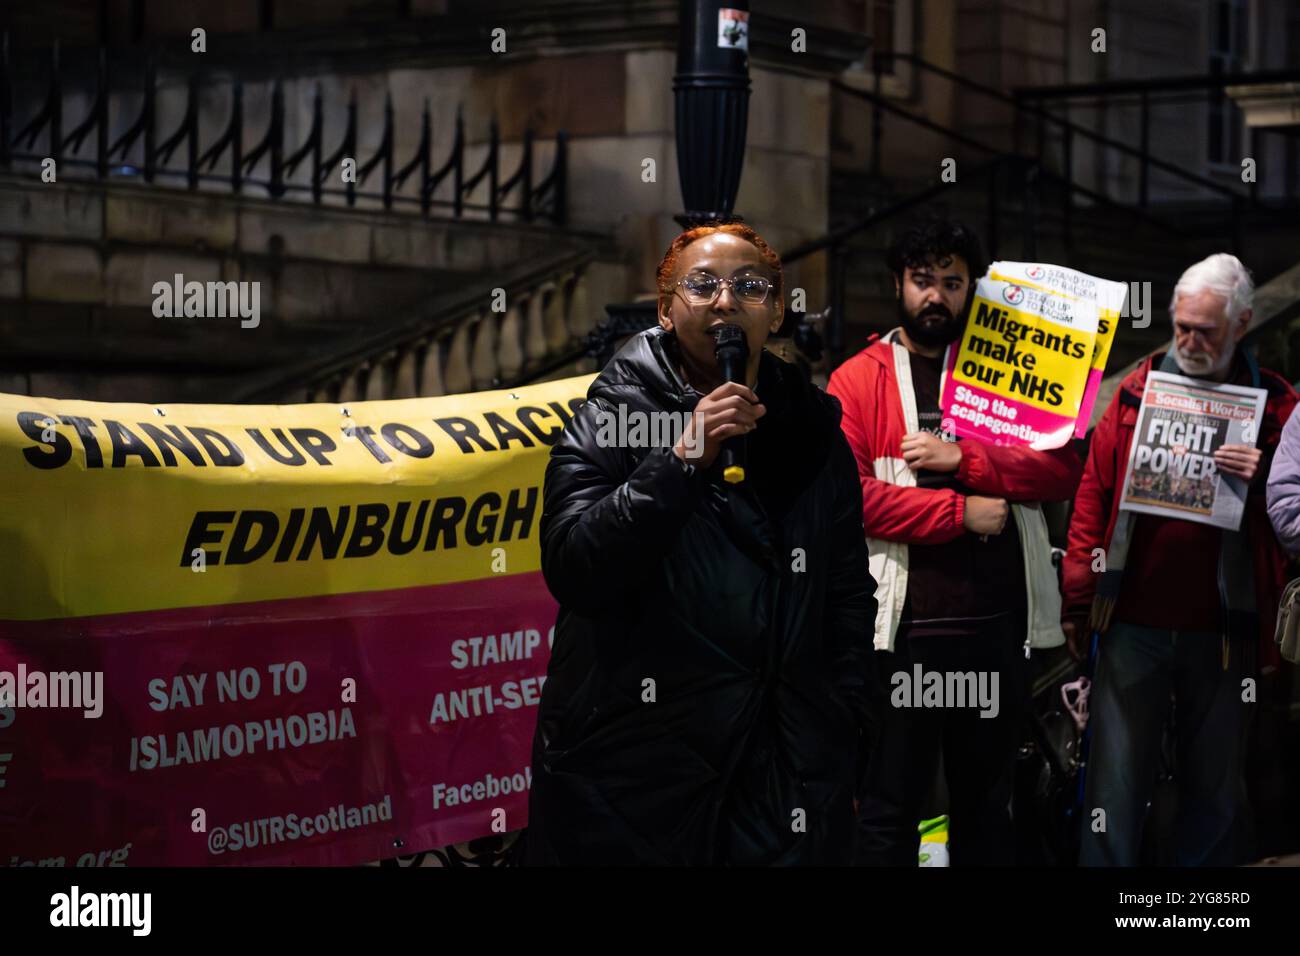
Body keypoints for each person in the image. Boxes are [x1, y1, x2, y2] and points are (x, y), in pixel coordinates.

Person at [525, 222, 880, 865]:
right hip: (638, 770)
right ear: (665, 311)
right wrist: (682, 460)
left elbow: (847, 589)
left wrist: (843, 719)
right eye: (703, 284)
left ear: (774, 313)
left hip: (782, 772)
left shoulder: (814, 429)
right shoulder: (613, 414)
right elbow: (574, 564)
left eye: (750, 287)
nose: (725, 301)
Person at [828, 217, 1082, 866]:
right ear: (898, 285)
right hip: (905, 637)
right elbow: (847, 500)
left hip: (996, 633)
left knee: (986, 808)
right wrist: (958, 513)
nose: (935, 295)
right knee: (889, 807)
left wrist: (964, 459)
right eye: (922, 281)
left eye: (951, 281)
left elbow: (1059, 468)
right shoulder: (858, 380)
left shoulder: (1005, 372)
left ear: (974, 289)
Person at [1062, 252, 1297, 866]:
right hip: (1131, 619)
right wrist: (1078, 596)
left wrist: (1269, 475)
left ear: (1243, 324)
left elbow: (1292, 510)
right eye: (1181, 325)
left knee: (1216, 784)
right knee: (1112, 782)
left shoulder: (1276, 404)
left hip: (1225, 631)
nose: (1189, 340)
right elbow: (1094, 489)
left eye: (1206, 330)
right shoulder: (1138, 387)